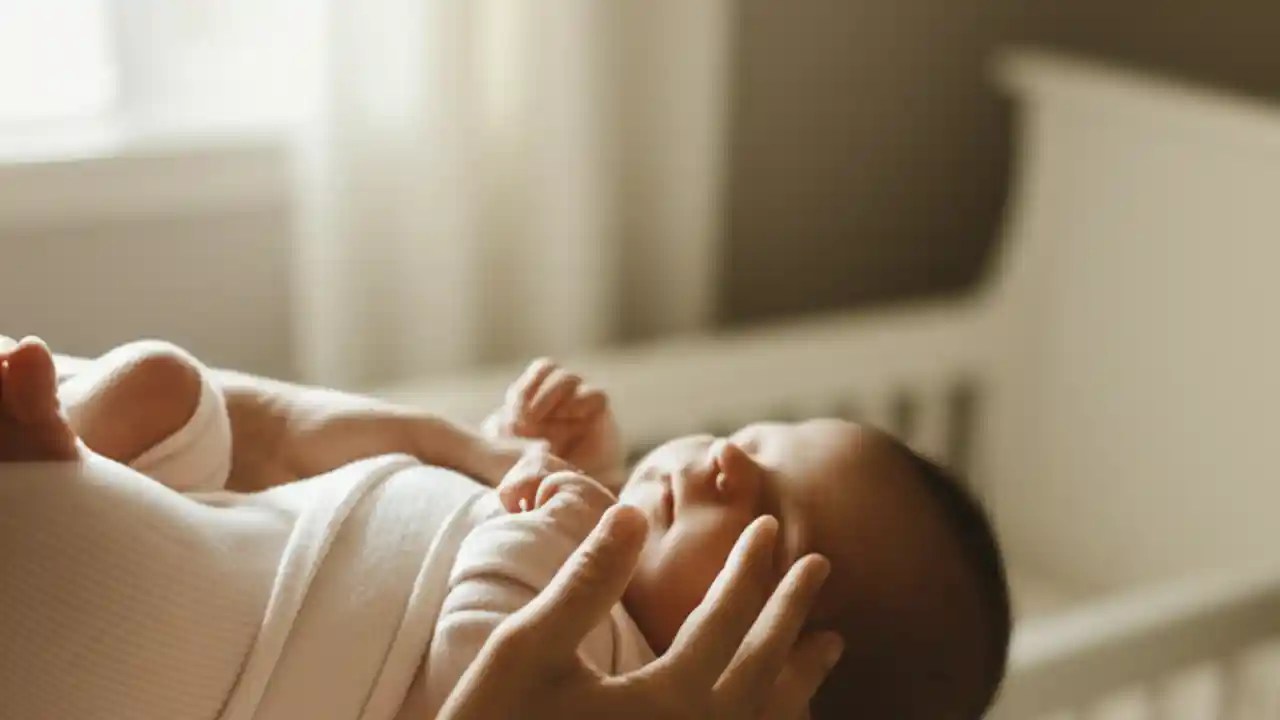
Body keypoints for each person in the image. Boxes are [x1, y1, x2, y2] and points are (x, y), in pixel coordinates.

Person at [0, 336, 839, 719]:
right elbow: (434, 557)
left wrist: (558, 525)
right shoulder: (583, 546)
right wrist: (506, 451)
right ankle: (54, 456)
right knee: (164, 387)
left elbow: (472, 647)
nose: (729, 461)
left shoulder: (607, 672)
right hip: (243, 528)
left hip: (228, 656)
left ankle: (46, 475)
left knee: (75, 556)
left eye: (777, 516)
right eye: (754, 439)